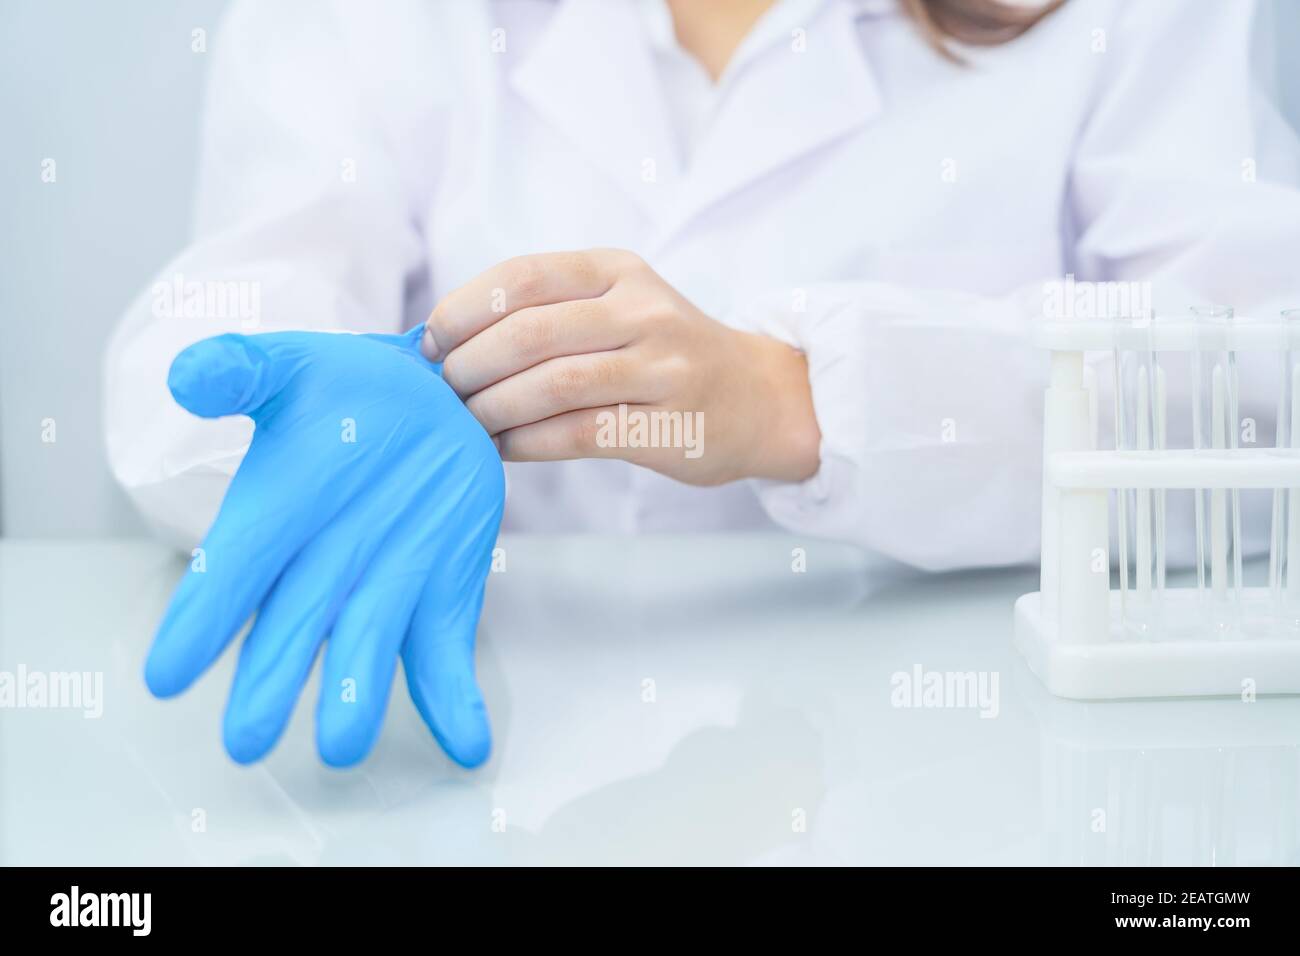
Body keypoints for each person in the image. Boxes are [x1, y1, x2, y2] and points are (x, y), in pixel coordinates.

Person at [104, 0, 1300, 763]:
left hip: (961, 771)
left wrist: (803, 399)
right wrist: (319, 411)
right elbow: (221, 328)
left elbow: (1266, 381)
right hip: (493, 743)